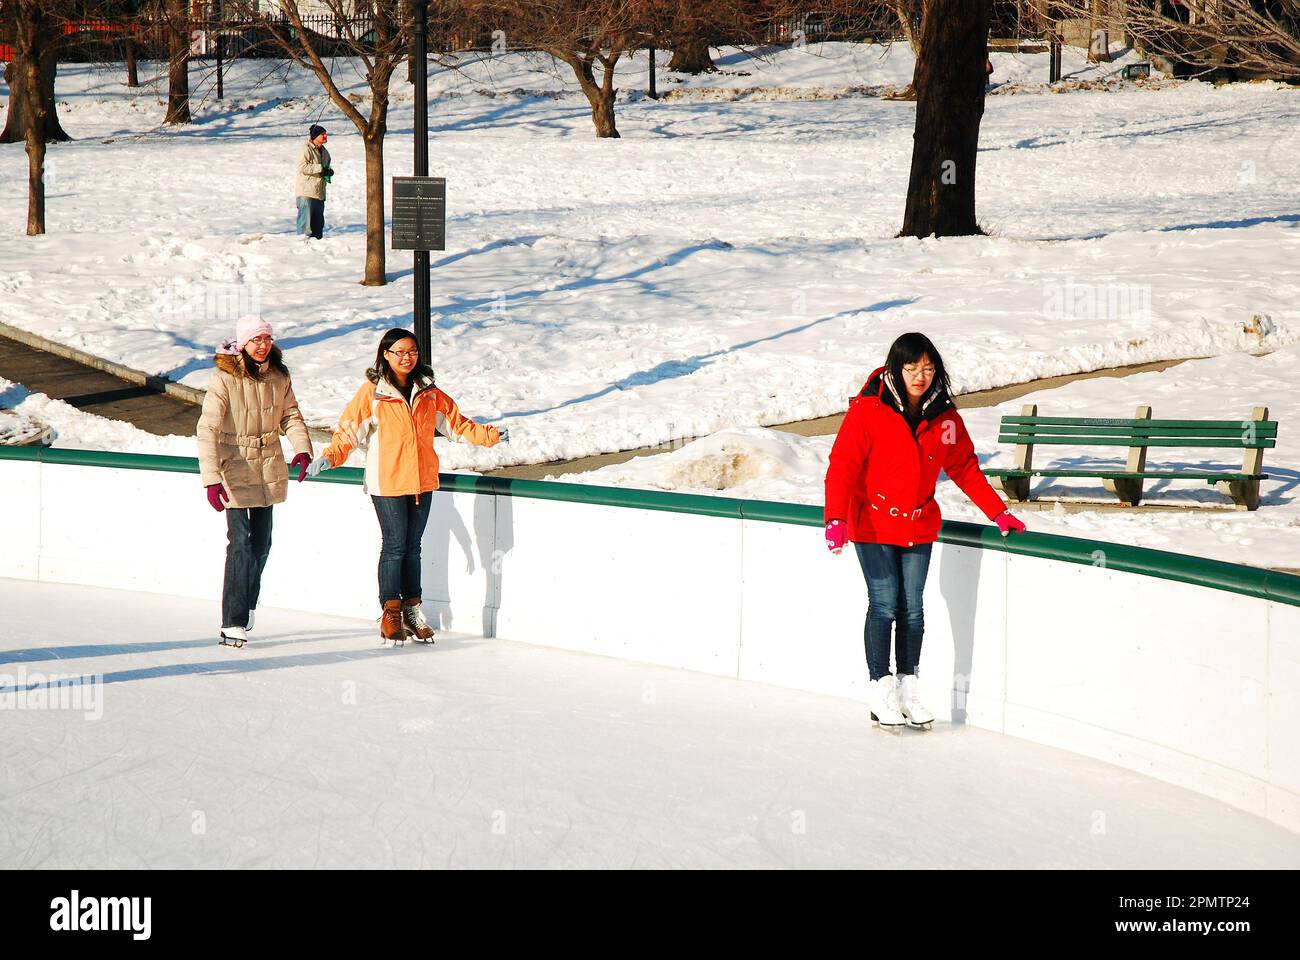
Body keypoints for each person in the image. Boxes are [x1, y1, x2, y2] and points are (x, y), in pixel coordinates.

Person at [824, 332, 1026, 731]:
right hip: (872, 521)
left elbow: (964, 467)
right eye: (912, 367)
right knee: (884, 603)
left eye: (929, 368)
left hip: (918, 522)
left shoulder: (944, 419)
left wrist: (999, 512)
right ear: (895, 369)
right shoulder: (869, 411)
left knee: (912, 608)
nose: (921, 376)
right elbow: (843, 464)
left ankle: (907, 686)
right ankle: (880, 688)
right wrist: (836, 518)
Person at [307, 329, 506, 644]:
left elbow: (457, 424)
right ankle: (390, 612)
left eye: (411, 351)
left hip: (422, 480)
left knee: (414, 548)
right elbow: (349, 432)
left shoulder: (428, 391)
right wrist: (330, 457)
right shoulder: (372, 393)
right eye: (398, 352)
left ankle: (412, 611)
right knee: (396, 545)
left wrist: (489, 435)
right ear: (385, 354)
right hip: (387, 481)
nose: (406, 357)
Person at [197, 316, 313, 648]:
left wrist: (302, 449)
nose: (262, 345)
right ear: (242, 344)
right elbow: (208, 429)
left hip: (268, 465)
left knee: (262, 543)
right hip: (233, 465)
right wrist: (211, 480)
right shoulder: (224, 379)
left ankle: (246, 600)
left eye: (266, 339)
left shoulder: (279, 376)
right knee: (241, 543)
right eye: (255, 340)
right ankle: (232, 620)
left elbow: (290, 415)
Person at [296, 124, 332, 239]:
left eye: (325, 134)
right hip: (306, 193)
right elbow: (302, 167)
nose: (325, 136)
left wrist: (328, 172)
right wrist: (320, 168)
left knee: (318, 227)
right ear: (315, 136)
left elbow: (325, 167)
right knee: (305, 226)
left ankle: (316, 251)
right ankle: (302, 248)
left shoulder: (325, 152)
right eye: (322, 134)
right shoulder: (306, 149)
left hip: (319, 194)